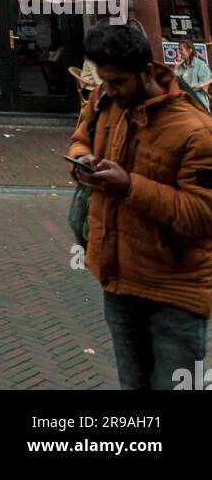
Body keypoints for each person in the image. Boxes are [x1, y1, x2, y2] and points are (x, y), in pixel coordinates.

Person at [68, 22, 212, 391]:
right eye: (104, 80)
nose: (110, 90)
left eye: (118, 81)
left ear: (147, 72)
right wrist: (82, 160)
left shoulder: (196, 130)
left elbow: (203, 216)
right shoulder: (105, 100)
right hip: (117, 278)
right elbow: (81, 137)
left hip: (173, 291)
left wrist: (129, 186)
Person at [175, 38, 212, 113]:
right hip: (185, 103)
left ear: (190, 50)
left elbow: (205, 85)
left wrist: (192, 86)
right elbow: (175, 84)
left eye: (181, 49)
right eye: (178, 50)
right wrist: (175, 68)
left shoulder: (201, 65)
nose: (179, 52)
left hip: (199, 102)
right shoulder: (181, 66)